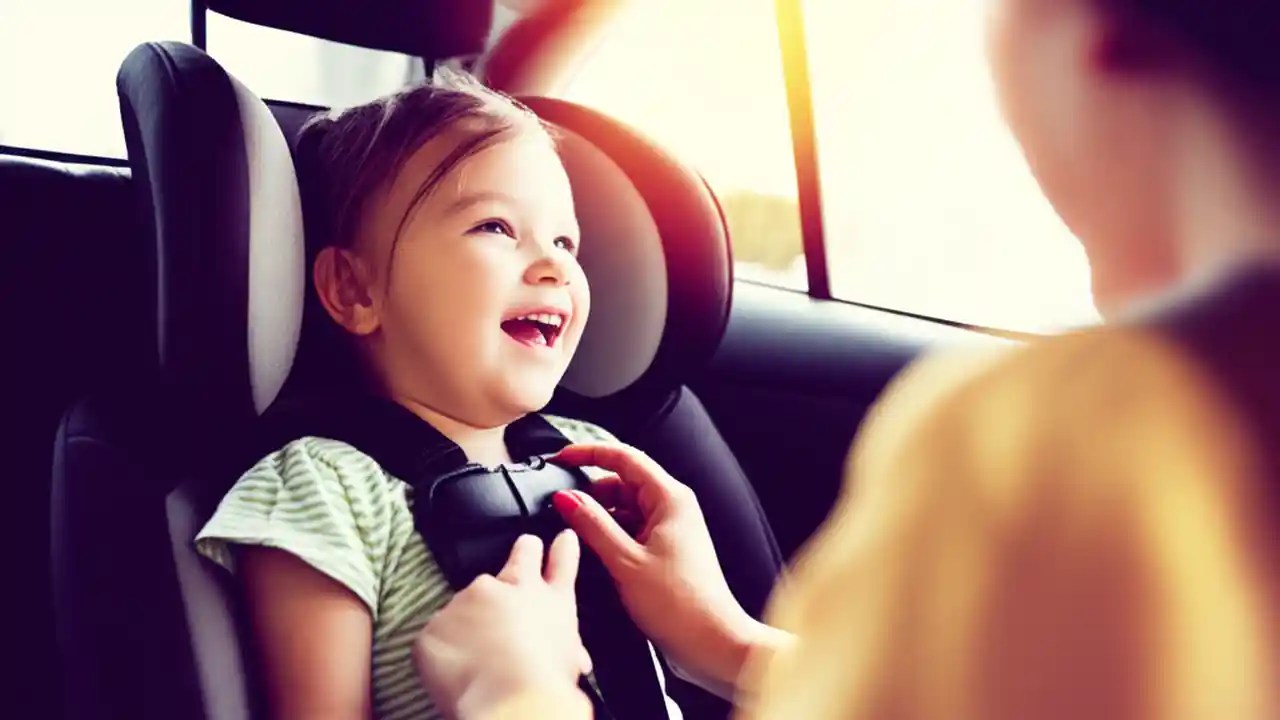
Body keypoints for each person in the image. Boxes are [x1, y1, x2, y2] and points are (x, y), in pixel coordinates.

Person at [412, 0, 1280, 718]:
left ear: (1095, 37)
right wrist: (729, 643)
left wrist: (515, 694)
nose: (557, 263)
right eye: (496, 226)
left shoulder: (1072, 444)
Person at [192, 70, 679, 719]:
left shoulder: (603, 463)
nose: (556, 264)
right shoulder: (326, 490)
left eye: (565, 240)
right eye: (496, 228)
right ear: (356, 291)